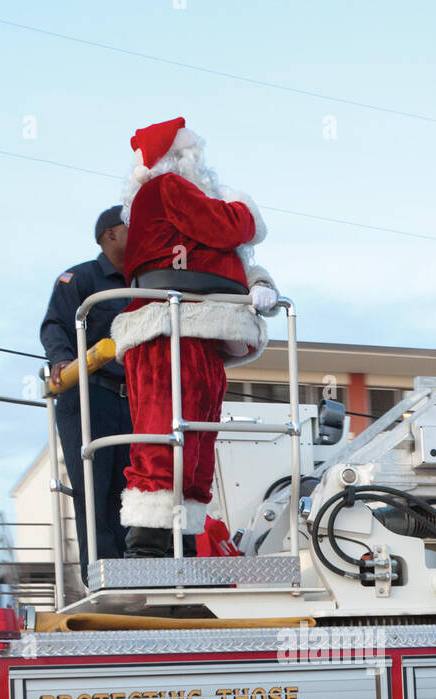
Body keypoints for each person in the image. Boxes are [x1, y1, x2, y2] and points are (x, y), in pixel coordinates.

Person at [109, 118, 279, 558]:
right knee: (166, 434)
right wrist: (245, 210)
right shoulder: (167, 188)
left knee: (197, 445)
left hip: (200, 332)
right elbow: (226, 227)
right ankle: (148, 545)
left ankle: (182, 541)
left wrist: (258, 282)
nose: (200, 164)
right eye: (192, 154)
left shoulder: (177, 205)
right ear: (178, 158)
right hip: (171, 328)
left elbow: (226, 256)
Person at [39, 208, 132, 583]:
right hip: (88, 396)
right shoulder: (79, 279)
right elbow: (54, 325)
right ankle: (103, 577)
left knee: (132, 488)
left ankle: (135, 570)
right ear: (109, 235)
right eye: (130, 227)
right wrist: (62, 359)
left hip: (133, 400)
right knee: (94, 488)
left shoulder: (142, 281)